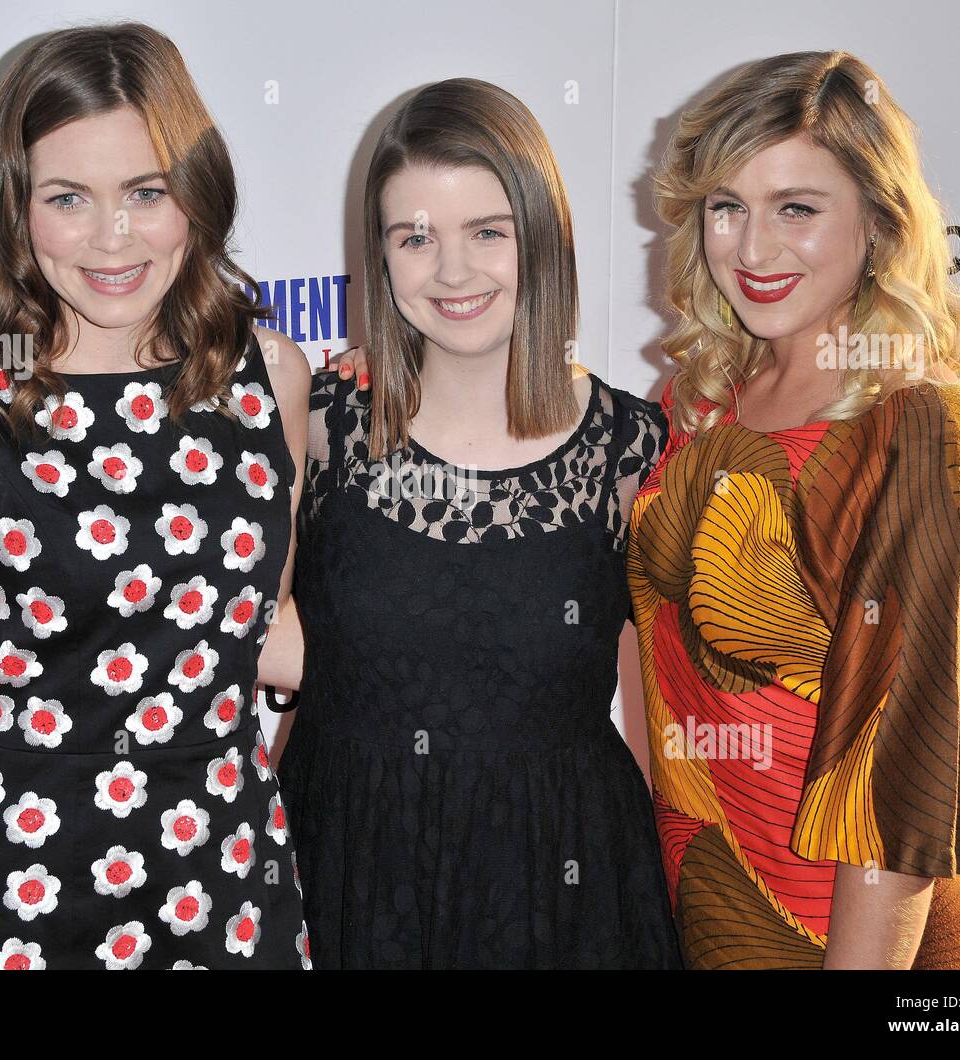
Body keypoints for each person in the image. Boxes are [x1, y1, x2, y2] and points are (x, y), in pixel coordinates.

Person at [0, 23, 313, 970]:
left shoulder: (274, 379)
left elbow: (267, 622)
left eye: (147, 191)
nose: (112, 238)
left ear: (196, 193)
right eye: (67, 199)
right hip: (2, 895)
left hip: (224, 889)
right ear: (15, 208)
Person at [626, 50, 960, 968]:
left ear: (880, 222)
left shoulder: (925, 438)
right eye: (726, 207)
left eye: (797, 209)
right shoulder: (699, 401)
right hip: (716, 913)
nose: (751, 249)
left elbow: (910, 784)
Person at [266, 78, 681, 969]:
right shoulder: (315, 421)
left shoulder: (635, 449)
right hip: (350, 877)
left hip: (565, 891)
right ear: (379, 257)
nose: (452, 272)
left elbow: (663, 726)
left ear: (542, 236)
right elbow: (244, 633)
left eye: (487, 232)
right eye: (415, 238)